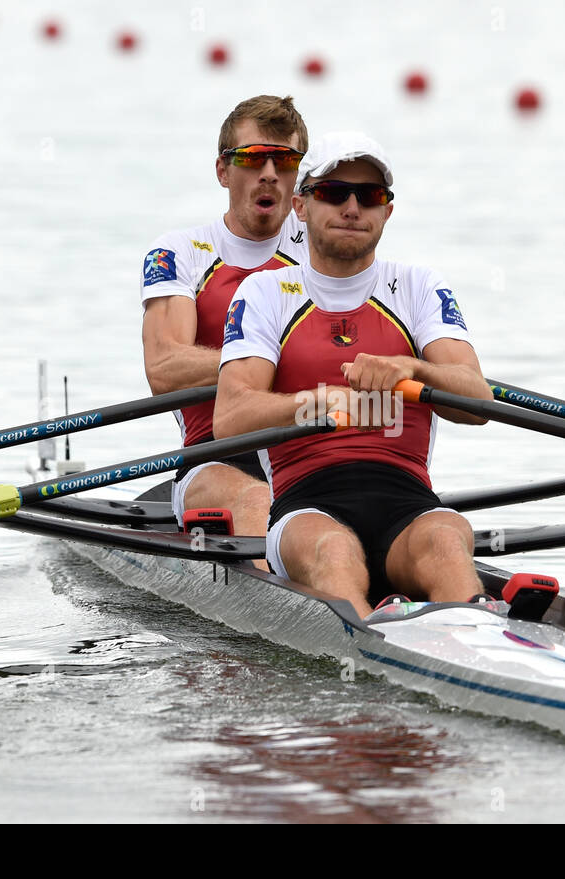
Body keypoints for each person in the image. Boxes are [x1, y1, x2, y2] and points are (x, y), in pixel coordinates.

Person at [213, 131, 495, 619]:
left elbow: (480, 402)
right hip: (306, 505)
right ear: (300, 206)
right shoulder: (265, 293)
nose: (352, 207)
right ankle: (370, 645)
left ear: (387, 211)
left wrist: (413, 367)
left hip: (408, 501)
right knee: (335, 554)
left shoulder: (417, 287)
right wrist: (318, 403)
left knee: (449, 539)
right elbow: (231, 418)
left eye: (369, 196)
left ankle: (477, 635)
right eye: (333, 192)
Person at [140, 95, 309, 545]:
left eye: (284, 159)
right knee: (259, 502)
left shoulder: (328, 251)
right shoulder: (180, 253)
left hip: (313, 451)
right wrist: (271, 361)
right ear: (223, 170)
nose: (270, 173)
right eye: (254, 158)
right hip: (217, 457)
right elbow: (164, 369)